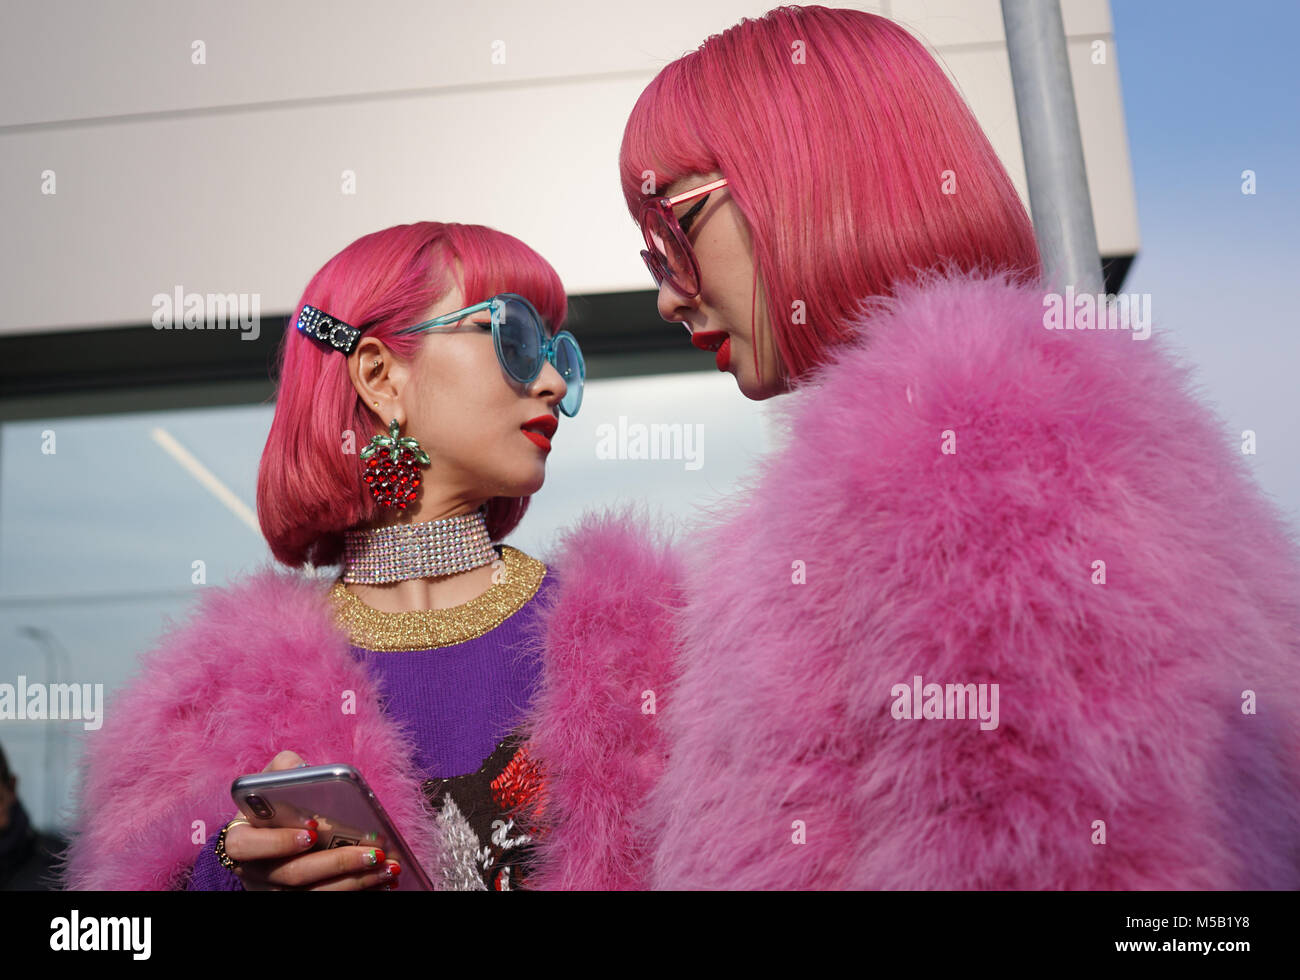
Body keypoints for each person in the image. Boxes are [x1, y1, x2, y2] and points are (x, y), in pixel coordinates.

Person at [518, 5, 1300, 889]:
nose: (666, 295)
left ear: (807, 179)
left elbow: (1049, 861)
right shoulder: (956, 435)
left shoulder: (979, 437)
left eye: (674, 232)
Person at [59, 220, 591, 890]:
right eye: (514, 338)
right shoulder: (214, 694)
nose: (549, 381)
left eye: (558, 354)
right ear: (378, 375)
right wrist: (232, 872)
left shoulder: (635, 649)